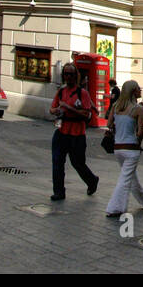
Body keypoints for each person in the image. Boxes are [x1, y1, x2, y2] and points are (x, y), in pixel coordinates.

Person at [104, 79, 143, 217]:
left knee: (130, 175)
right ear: (133, 91)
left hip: (118, 148)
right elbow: (140, 132)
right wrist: (139, 144)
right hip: (131, 148)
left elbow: (109, 124)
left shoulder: (115, 106)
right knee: (125, 178)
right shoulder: (138, 109)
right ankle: (115, 207)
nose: (140, 90)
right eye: (138, 88)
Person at [50, 62, 98, 200]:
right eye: (66, 74)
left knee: (78, 163)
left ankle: (92, 180)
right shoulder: (61, 92)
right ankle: (59, 191)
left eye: (71, 74)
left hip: (77, 134)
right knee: (57, 162)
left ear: (76, 76)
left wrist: (68, 108)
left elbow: (86, 114)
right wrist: (56, 111)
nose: (68, 77)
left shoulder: (82, 93)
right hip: (61, 131)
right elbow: (52, 108)